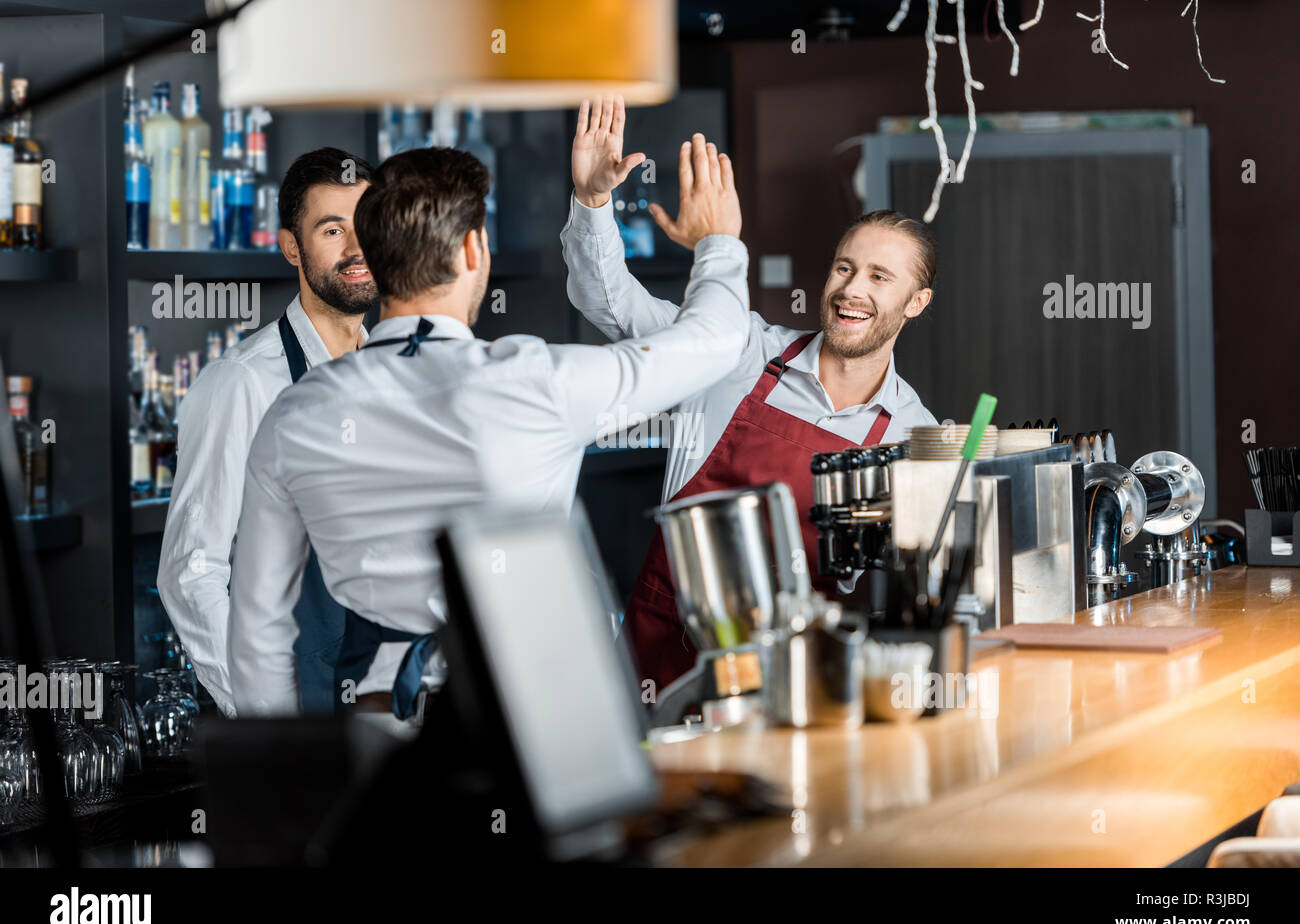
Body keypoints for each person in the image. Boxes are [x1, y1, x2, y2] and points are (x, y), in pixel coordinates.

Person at [227, 138, 750, 718]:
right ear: (475, 250)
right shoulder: (536, 381)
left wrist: (279, 784)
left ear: (373, 258)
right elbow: (715, 342)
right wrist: (718, 242)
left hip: (377, 721)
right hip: (532, 715)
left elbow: (256, 628)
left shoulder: (296, 414)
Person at [562, 95, 940, 692]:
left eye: (879, 277)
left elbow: (897, 587)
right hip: (660, 660)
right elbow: (608, 301)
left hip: (793, 686)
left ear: (915, 304)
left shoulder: (911, 438)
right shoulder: (736, 349)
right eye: (845, 268)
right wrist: (592, 201)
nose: (852, 291)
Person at [158, 148, 379, 716]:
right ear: (290, 247)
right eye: (332, 230)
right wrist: (270, 716)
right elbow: (193, 572)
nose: (358, 249)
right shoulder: (242, 383)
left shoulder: (395, 368)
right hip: (300, 725)